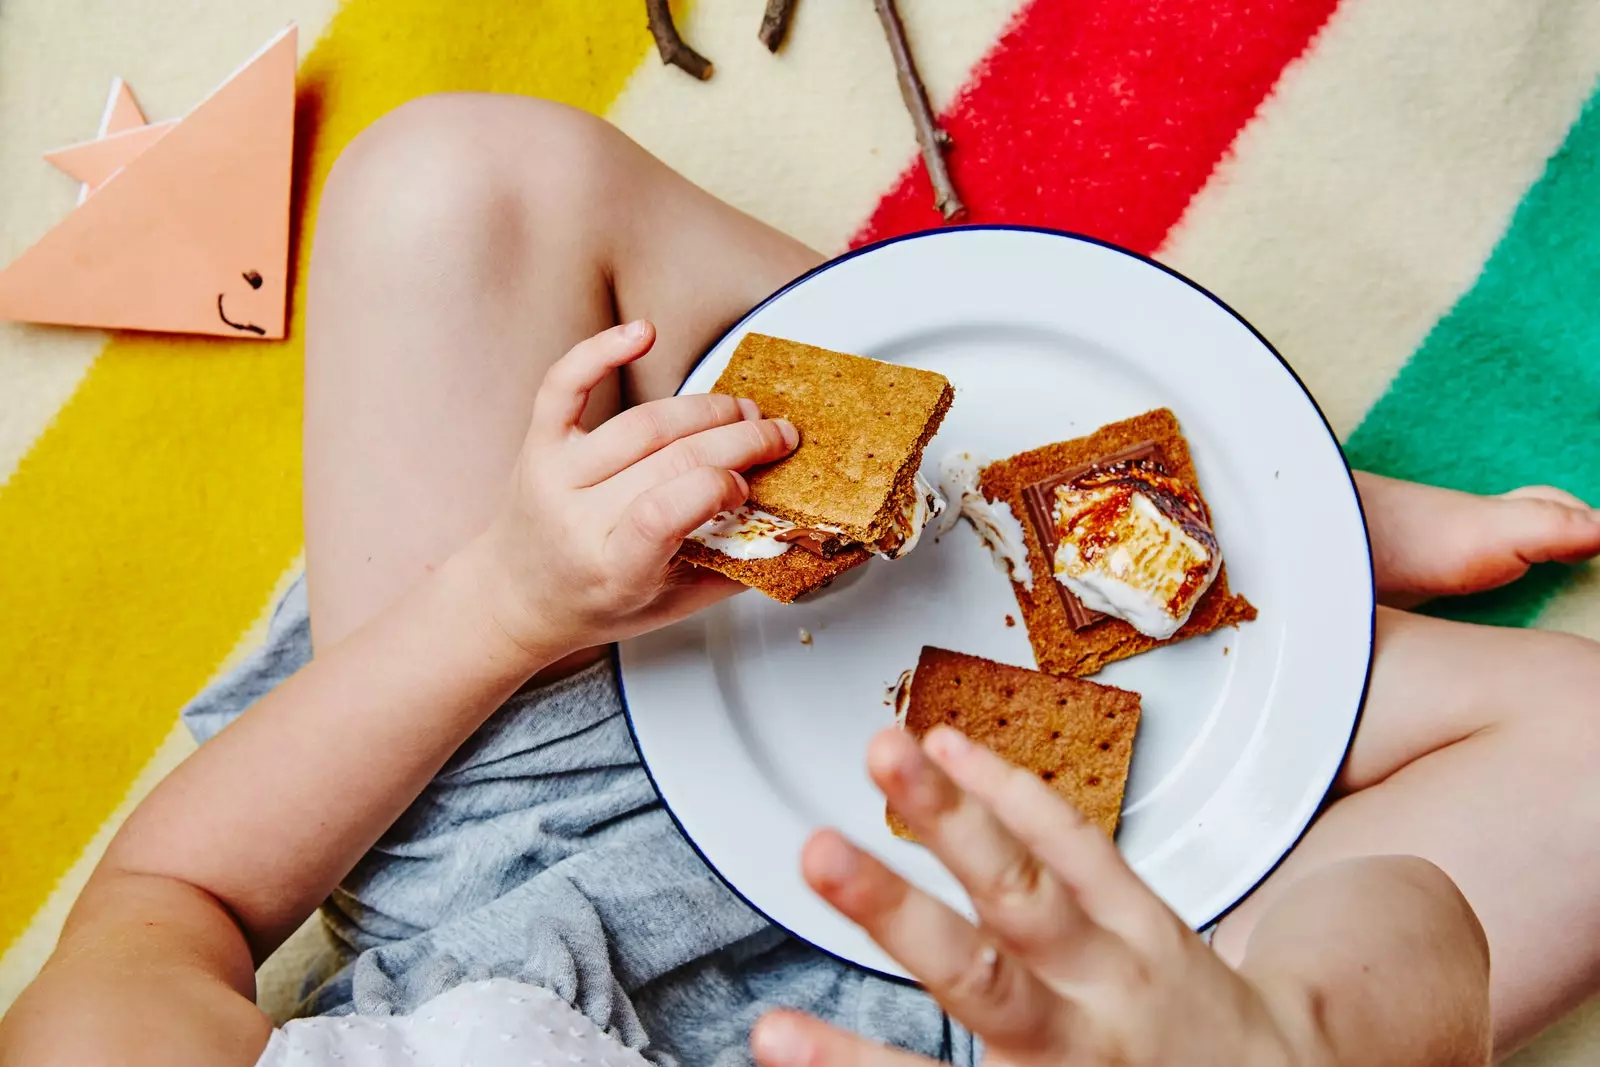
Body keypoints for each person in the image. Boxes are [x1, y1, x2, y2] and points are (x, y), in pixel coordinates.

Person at [4, 95, 1600, 1067]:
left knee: (453, 189)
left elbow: (171, 900)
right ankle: (1252, 566)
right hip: (970, 1024)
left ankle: (1203, 488)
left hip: (495, 839)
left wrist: (505, 602)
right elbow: (1416, 938)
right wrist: (1283, 1042)